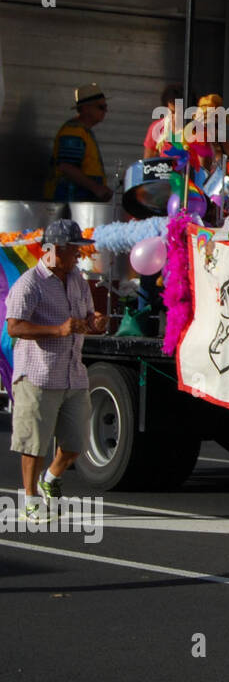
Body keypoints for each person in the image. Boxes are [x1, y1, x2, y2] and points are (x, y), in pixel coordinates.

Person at [5, 219, 107, 523]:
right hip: (38, 375)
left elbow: (88, 317)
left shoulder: (76, 279)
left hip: (73, 374)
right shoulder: (29, 283)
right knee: (34, 443)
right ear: (52, 250)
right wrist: (58, 330)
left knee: (76, 443)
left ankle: (49, 479)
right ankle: (29, 499)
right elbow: (15, 326)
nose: (78, 255)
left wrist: (96, 322)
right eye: (72, 250)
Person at [46, 83, 113, 202]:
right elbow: (66, 167)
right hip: (69, 203)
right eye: (101, 107)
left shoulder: (82, 131)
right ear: (86, 108)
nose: (105, 111)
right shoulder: (73, 132)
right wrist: (97, 188)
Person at [142, 83, 183, 158]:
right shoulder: (156, 128)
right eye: (172, 112)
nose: (175, 116)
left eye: (180, 113)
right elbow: (148, 162)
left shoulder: (194, 131)